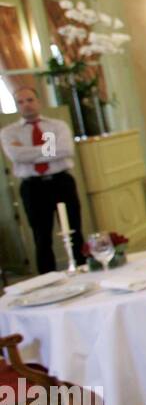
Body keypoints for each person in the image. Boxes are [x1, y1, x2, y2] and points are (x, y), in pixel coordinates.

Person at [1, 85, 85, 273]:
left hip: (60, 182)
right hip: (33, 187)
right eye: (20, 102)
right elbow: (17, 157)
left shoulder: (56, 126)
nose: (26, 105)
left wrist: (29, 152)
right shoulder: (9, 132)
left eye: (29, 100)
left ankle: (82, 269)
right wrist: (47, 150)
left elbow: (64, 150)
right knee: (41, 236)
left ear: (38, 101)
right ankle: (47, 279)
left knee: (74, 230)